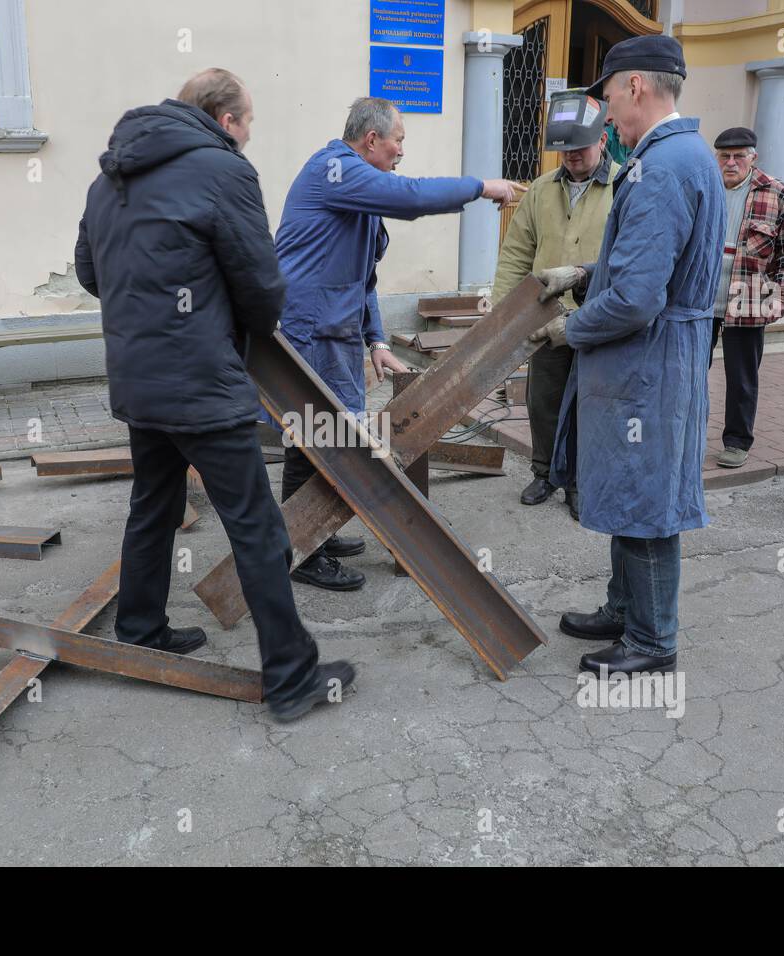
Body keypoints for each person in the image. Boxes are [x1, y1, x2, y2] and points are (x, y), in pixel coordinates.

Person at [74, 68, 353, 722]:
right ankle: (291, 677)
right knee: (257, 527)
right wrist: (227, 325)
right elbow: (261, 287)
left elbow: (92, 273)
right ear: (225, 119)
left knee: (154, 503)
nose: (249, 135)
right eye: (248, 122)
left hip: (139, 380)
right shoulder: (223, 171)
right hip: (202, 380)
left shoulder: (107, 177)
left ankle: (141, 630)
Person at [274, 96, 525, 591]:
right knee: (318, 437)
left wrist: (375, 340)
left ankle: (310, 534)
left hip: (336, 331)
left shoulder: (358, 192)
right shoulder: (334, 170)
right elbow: (410, 196)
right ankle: (300, 551)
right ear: (372, 140)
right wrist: (479, 187)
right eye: (399, 140)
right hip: (308, 331)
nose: (401, 150)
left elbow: (360, 277)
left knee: (322, 437)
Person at [533, 35, 725, 676]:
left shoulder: (660, 167)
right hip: (658, 357)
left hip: (649, 361)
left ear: (636, 86)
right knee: (630, 490)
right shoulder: (682, 154)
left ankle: (652, 641)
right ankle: (624, 608)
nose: (606, 113)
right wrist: (586, 273)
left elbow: (639, 298)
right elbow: (645, 270)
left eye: (609, 96)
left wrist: (573, 328)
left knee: (644, 503)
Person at [492, 90, 618, 516]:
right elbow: (516, 254)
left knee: (589, 403)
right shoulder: (541, 190)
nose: (571, 157)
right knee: (542, 399)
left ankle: (579, 481)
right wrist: (502, 314)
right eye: (563, 150)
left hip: (597, 317)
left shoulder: (625, 188)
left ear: (602, 140)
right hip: (545, 315)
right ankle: (544, 472)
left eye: (579, 148)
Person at [708, 126, 784, 469]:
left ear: (753, 157)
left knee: (742, 376)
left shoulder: (777, 193)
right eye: (724, 156)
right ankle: (686, 433)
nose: (731, 163)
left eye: (739, 156)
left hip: (749, 298)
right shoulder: (703, 187)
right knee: (688, 371)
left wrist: (781, 297)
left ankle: (736, 441)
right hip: (700, 298)